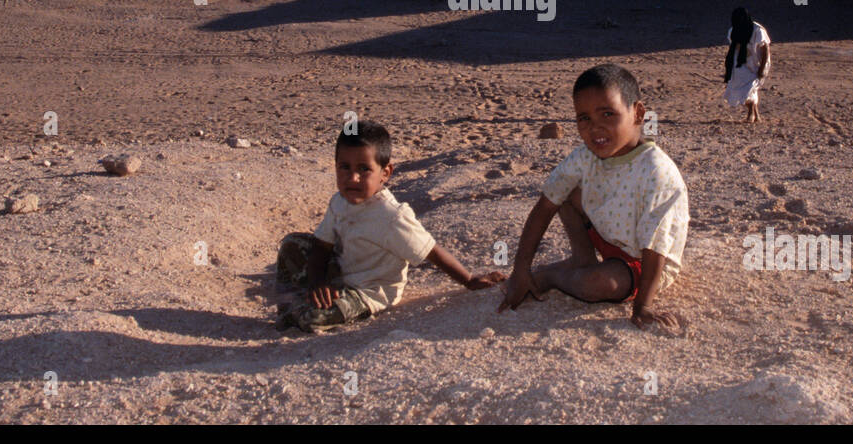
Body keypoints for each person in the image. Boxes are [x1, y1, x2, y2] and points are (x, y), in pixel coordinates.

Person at [497, 64, 689, 331]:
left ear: (638, 113)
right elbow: (545, 205)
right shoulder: (585, 155)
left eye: (608, 114)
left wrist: (643, 307)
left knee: (598, 285)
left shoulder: (657, 172)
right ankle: (580, 258)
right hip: (607, 236)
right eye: (583, 118)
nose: (595, 128)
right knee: (563, 191)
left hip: (642, 262)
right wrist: (520, 269)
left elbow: (655, 246)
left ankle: (552, 276)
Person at [276, 120, 504, 332]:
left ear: (385, 173)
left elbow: (430, 251)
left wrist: (469, 280)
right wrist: (318, 282)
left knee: (314, 316)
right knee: (291, 244)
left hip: (369, 291)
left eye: (364, 169)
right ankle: (296, 299)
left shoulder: (392, 216)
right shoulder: (339, 202)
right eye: (344, 167)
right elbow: (321, 246)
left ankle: (298, 308)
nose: (352, 178)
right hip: (342, 273)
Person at [723, 7, 771, 124]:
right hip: (741, 63)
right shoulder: (733, 30)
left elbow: (765, 50)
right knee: (743, 89)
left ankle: (751, 113)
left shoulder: (757, 30)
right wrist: (729, 68)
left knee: (750, 88)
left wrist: (762, 68)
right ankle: (755, 113)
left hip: (757, 62)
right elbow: (733, 49)